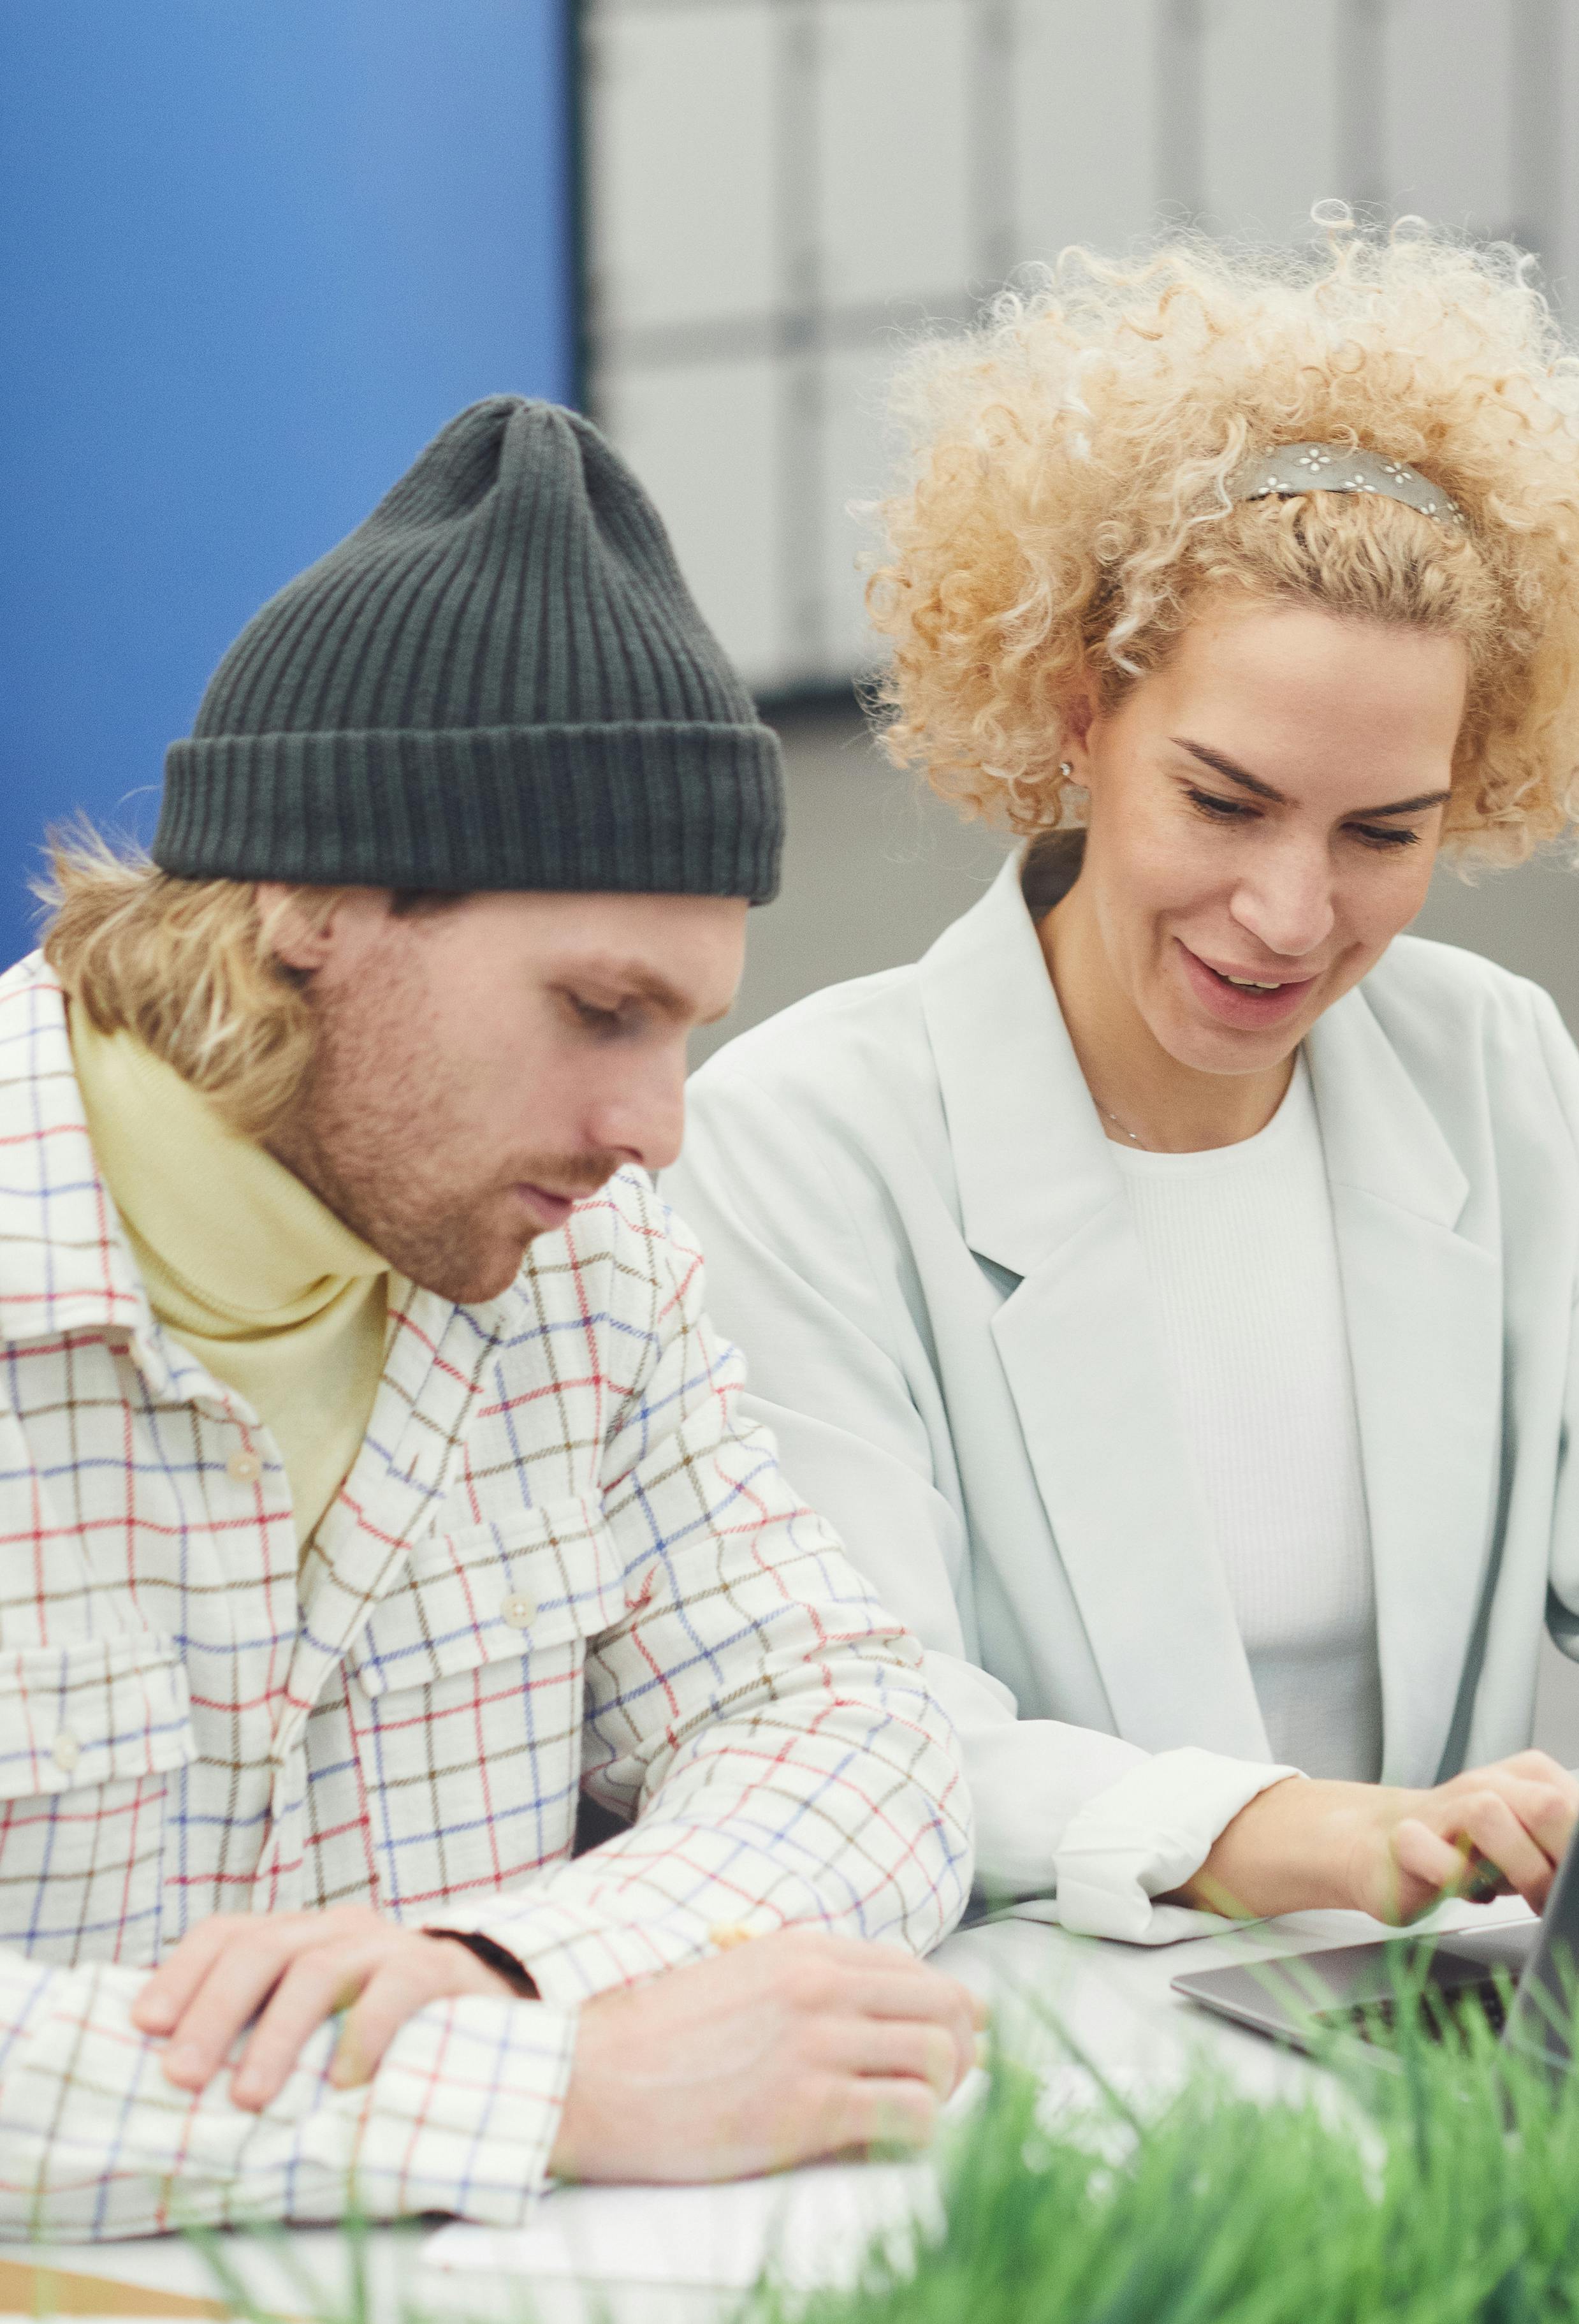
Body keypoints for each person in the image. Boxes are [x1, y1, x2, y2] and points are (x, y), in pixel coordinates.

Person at [669, 221, 1579, 1948]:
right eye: (1225, 802)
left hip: (1422, 2020)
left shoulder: (1486, 1062)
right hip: (1042, 2027)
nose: (1292, 914)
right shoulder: (806, 1141)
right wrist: (1291, 1833)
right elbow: (875, 1718)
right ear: (1078, 714)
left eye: (1387, 830)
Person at [3, 400, 980, 2241]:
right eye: (600, 1007)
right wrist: (550, 2085)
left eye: (684, 1024)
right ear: (307, 896)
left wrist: (500, 1963)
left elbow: (858, 1723)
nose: (657, 1125)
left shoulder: (582, 1268)